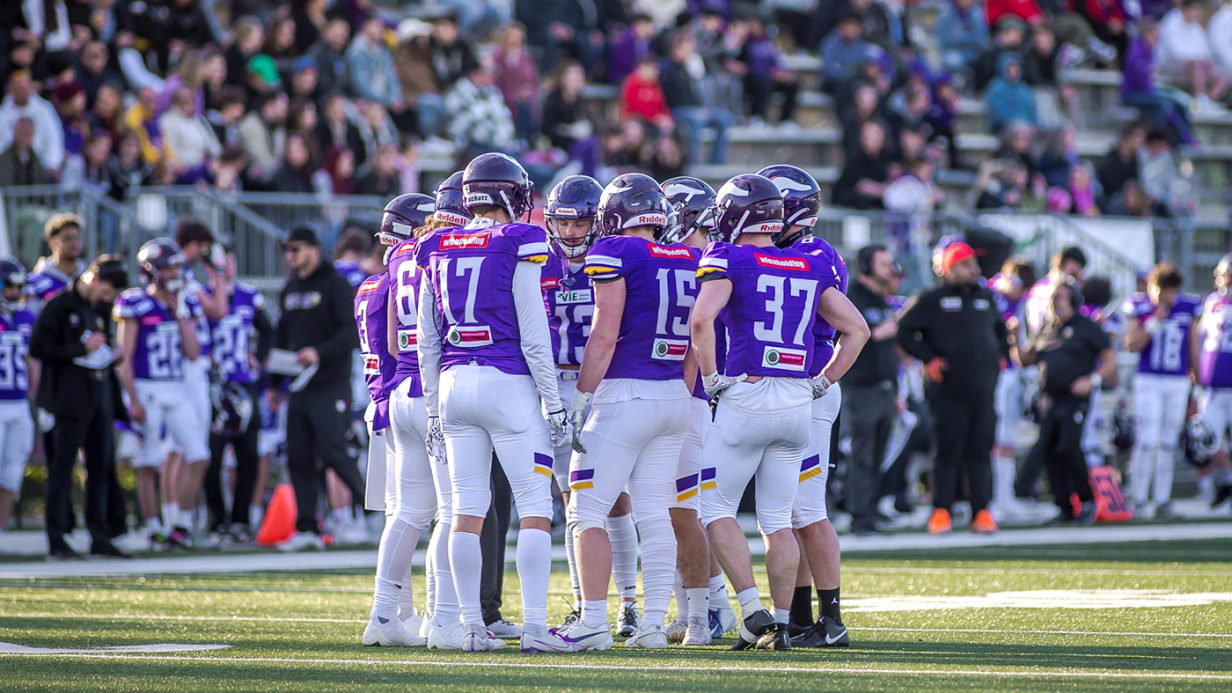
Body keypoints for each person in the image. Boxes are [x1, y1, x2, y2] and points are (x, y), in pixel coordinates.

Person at [688, 174, 868, 651]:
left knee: (717, 507)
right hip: (797, 399)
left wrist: (711, 380)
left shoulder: (729, 255)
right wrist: (819, 382)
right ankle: (788, 624)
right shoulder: (807, 262)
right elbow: (859, 329)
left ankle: (753, 610)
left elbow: (702, 320)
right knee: (779, 518)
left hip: (753, 395)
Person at [414, 153, 579, 654]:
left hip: (453, 384)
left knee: (465, 512)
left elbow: (427, 339)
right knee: (534, 510)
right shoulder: (519, 240)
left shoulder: (435, 243)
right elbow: (534, 333)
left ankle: (469, 627)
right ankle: (533, 628)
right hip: (507, 383)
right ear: (511, 194)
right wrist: (553, 402)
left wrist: (434, 409)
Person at [556, 174, 695, 651]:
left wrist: (580, 397)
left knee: (585, 509)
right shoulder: (689, 256)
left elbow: (604, 334)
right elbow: (699, 330)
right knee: (654, 513)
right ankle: (653, 625)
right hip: (674, 394)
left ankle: (593, 620)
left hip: (626, 393)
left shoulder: (615, 251)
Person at [539, 176, 641, 634]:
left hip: (602, 384)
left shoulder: (613, 258)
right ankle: (585, 602)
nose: (572, 232)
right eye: (563, 222)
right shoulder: (537, 260)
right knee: (571, 500)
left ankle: (628, 602)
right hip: (555, 383)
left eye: (580, 221)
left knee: (615, 499)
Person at [758, 165, 851, 648]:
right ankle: (797, 618)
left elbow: (848, 327)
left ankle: (832, 621)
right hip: (789, 389)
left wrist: (823, 381)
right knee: (785, 510)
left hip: (809, 386)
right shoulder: (793, 250)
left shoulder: (814, 255)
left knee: (807, 510)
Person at [357, 193, 437, 647]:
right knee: (429, 512)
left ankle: (400, 614)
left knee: (403, 513)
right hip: (410, 395)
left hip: (387, 401)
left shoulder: (376, 280)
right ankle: (412, 614)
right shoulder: (408, 270)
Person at [659, 175, 736, 644]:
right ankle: (712, 606)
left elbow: (697, 333)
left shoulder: (707, 260)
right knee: (673, 510)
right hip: (693, 393)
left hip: (696, 396)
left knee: (686, 511)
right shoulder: (703, 258)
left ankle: (709, 608)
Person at [897, 242, 1008, 534]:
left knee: (980, 452)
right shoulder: (932, 299)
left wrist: (1003, 359)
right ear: (949, 269)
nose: (974, 270)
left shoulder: (986, 297)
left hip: (983, 392)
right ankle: (941, 511)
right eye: (966, 264)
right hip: (947, 393)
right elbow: (904, 330)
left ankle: (982, 510)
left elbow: (1000, 332)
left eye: (974, 263)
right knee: (946, 453)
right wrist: (929, 358)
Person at [272, 225, 365, 551]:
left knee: (333, 451)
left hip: (330, 383)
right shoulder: (290, 288)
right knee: (298, 456)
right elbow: (282, 336)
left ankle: (374, 511)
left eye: (295, 249)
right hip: (299, 386)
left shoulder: (335, 284)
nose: (290, 256)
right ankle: (307, 527)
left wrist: (319, 353)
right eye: (287, 250)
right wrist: (273, 384)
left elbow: (352, 332)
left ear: (313, 249)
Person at [30, 255, 130, 559]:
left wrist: (113, 354)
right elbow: (38, 348)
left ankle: (101, 536)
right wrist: (79, 349)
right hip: (67, 400)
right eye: (106, 290)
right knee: (61, 470)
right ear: (94, 278)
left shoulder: (99, 309)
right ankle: (57, 538)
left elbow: (103, 346)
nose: (107, 298)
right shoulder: (59, 306)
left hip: (98, 397)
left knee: (100, 469)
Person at [114, 239, 211, 549]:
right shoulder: (135, 303)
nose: (174, 273)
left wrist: (179, 313)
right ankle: (153, 527)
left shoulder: (185, 303)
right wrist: (132, 397)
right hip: (147, 387)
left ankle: (179, 525)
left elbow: (194, 353)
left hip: (177, 386)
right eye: (168, 266)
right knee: (147, 461)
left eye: (177, 266)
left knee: (199, 455)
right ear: (151, 270)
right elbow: (124, 357)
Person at [1015, 281, 1118, 523]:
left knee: (1069, 446)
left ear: (1073, 300)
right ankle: (1064, 506)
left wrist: (1092, 380)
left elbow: (1109, 359)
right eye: (1052, 298)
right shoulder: (1046, 328)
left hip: (1076, 397)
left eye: (1059, 298)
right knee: (1051, 452)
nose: (1053, 303)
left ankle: (1087, 499)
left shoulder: (1086, 327)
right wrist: (1013, 338)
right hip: (1050, 398)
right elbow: (1027, 359)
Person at [202, 246, 274, 541]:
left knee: (248, 455)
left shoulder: (249, 295)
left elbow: (269, 329)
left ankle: (241, 521)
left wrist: (260, 355)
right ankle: (217, 519)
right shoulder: (202, 297)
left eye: (229, 260)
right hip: (213, 384)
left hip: (244, 382)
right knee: (212, 455)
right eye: (220, 263)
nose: (226, 267)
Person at [1122, 262, 1202, 519]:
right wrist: (1153, 323)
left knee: (1168, 443)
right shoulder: (1141, 307)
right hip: (1149, 379)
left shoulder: (1188, 307)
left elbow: (1193, 348)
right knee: (1147, 439)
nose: (1162, 295)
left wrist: (1196, 387)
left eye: (1167, 290)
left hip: (1177, 381)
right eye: (1158, 288)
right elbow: (1131, 345)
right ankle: (1138, 498)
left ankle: (1162, 499)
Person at [840, 244, 901, 534]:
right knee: (861, 454)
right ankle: (859, 513)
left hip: (884, 389)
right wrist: (876, 334)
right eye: (884, 263)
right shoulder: (852, 298)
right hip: (860, 388)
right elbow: (844, 338)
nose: (890, 268)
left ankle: (872, 508)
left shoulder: (880, 299)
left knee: (878, 453)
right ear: (865, 266)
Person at [0, 258, 37, 555]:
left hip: (20, 404)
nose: (14, 292)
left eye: (17, 286)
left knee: (12, 473)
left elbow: (31, 360)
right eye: (8, 286)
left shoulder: (25, 318)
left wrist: (35, 396)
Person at [1192, 253, 1232, 507]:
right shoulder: (1211, 302)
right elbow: (1198, 337)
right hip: (1213, 389)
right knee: (1204, 441)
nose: (1223, 279)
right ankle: (1226, 482)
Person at [26, 214, 87, 316]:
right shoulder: (35, 283)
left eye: (77, 238)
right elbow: (32, 321)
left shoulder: (88, 279)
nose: (74, 243)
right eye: (67, 238)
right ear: (52, 242)